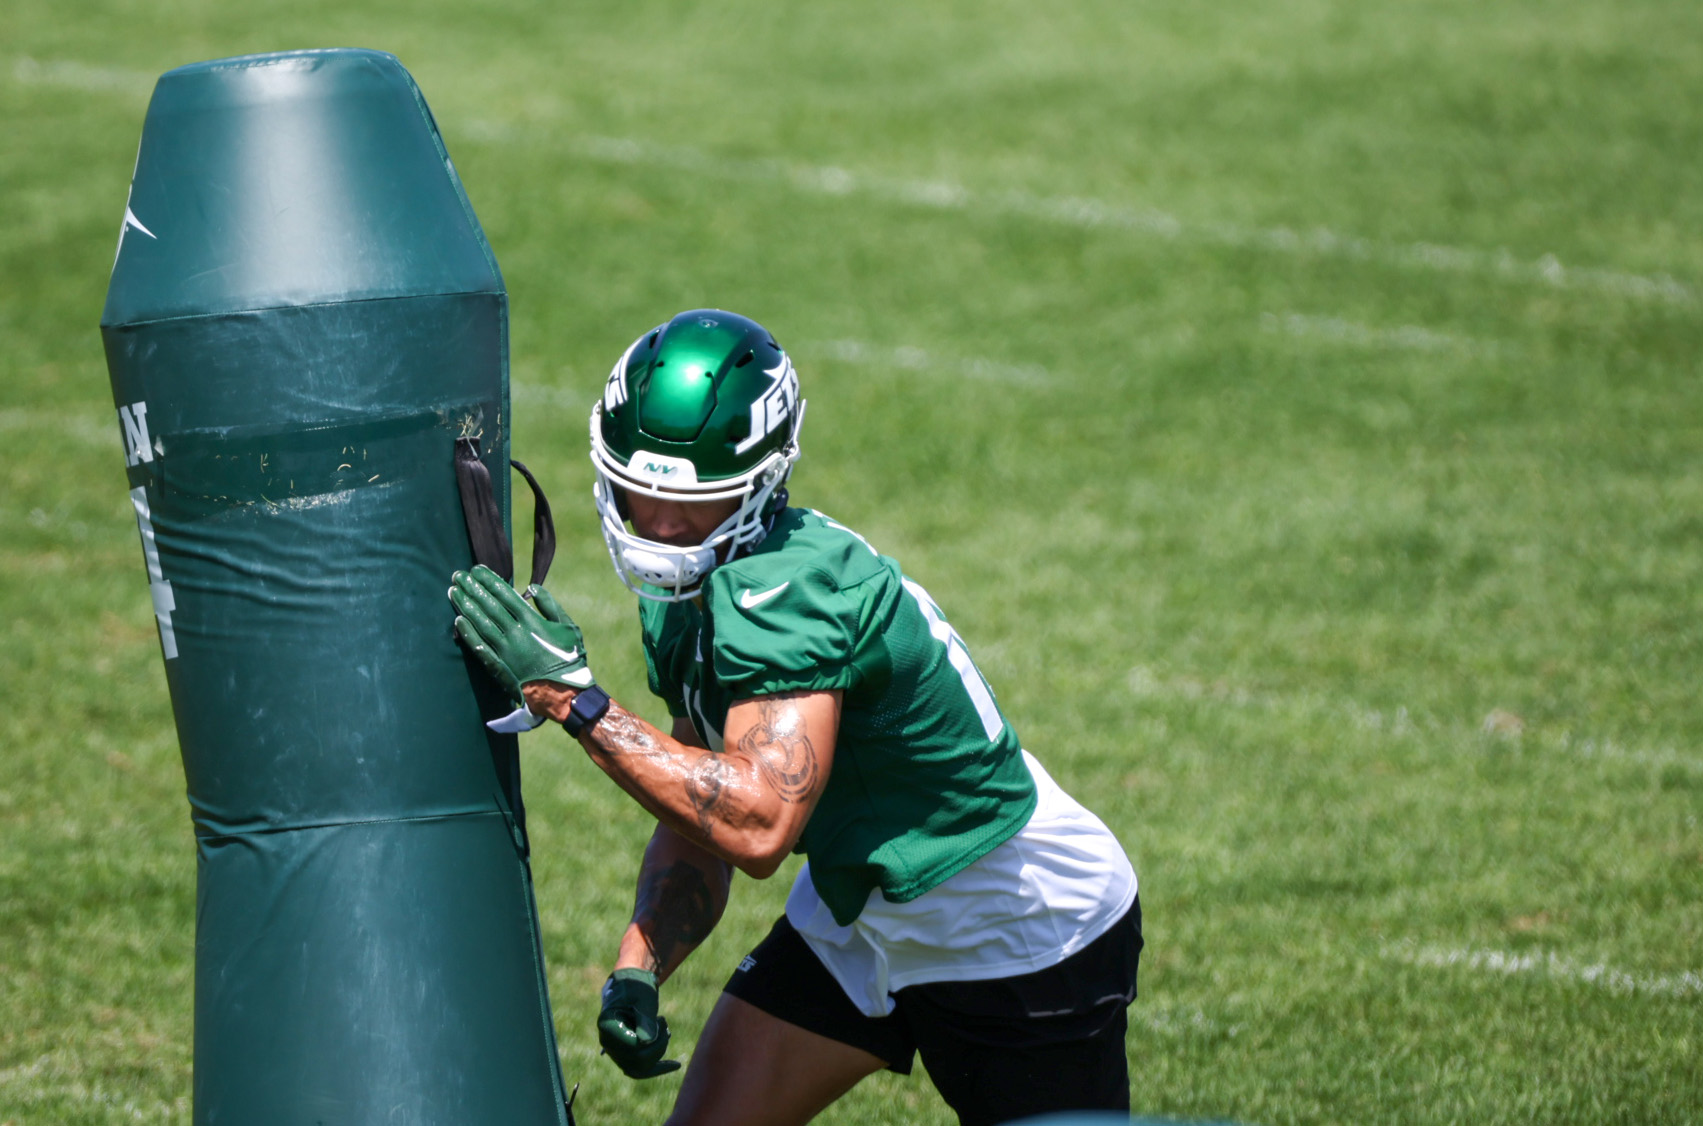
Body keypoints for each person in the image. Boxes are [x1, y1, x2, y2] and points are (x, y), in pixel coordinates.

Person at [449, 309, 1141, 1126]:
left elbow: (754, 825)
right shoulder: (691, 583)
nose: (662, 526)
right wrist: (640, 963)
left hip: (1010, 925)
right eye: (642, 492)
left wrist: (573, 699)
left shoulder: (789, 591)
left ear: (760, 485)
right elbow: (700, 803)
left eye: (694, 500)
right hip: (860, 911)